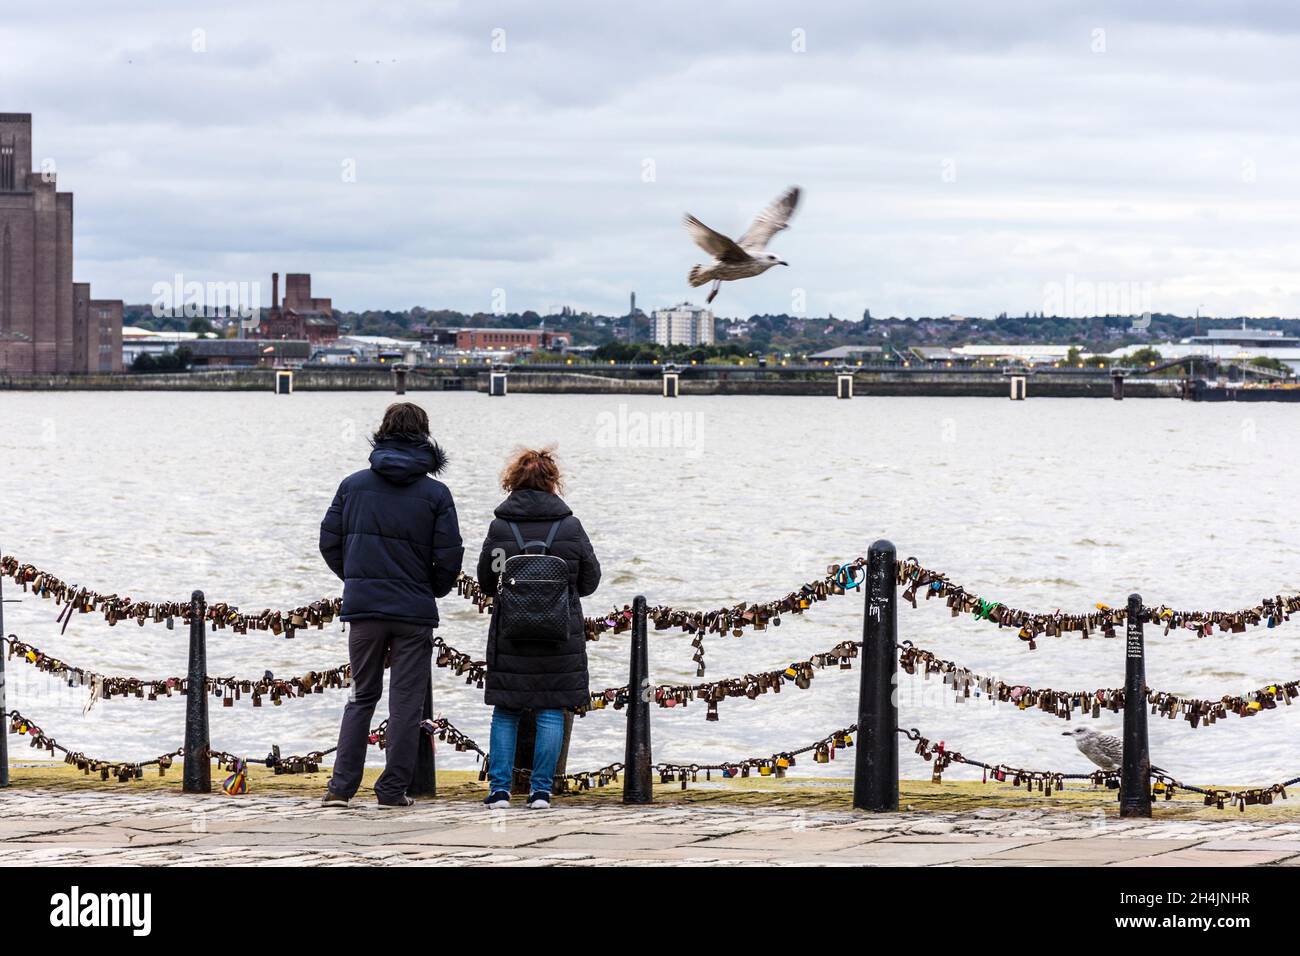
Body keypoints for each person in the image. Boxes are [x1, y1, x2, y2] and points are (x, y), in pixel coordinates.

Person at [318, 402, 463, 808]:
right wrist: (430, 588)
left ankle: (340, 789)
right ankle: (392, 790)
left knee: (361, 696)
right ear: (425, 436)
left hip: (364, 610)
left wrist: (356, 578)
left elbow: (328, 542)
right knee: (405, 702)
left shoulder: (353, 485)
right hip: (413, 611)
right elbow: (450, 555)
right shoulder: (436, 494)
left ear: (382, 432)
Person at [476, 447, 600, 809]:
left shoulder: (500, 527)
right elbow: (590, 581)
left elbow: (486, 581)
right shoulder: (570, 526)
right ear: (552, 482)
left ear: (513, 480)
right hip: (559, 634)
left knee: (506, 709)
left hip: (510, 635)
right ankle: (541, 792)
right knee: (550, 710)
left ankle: (500, 790)